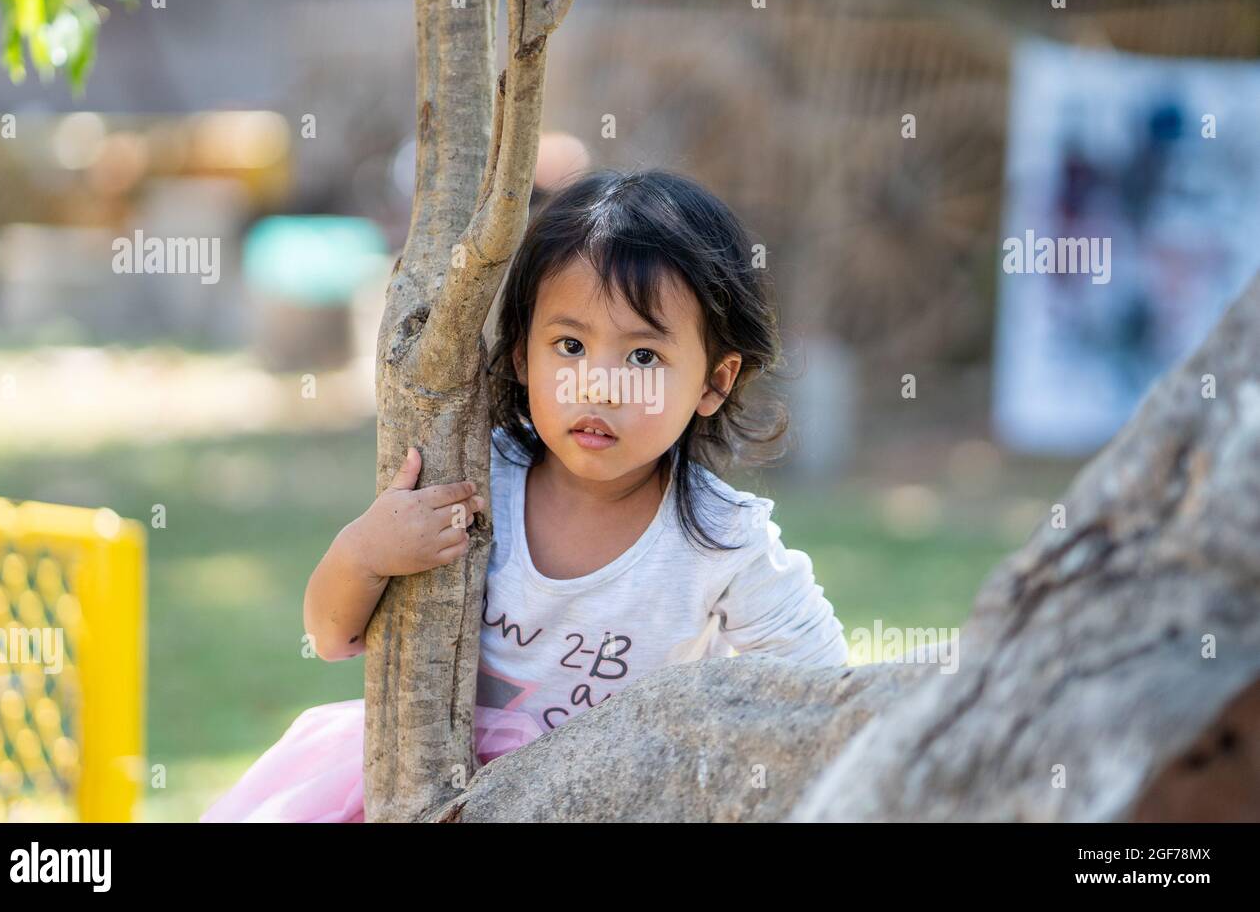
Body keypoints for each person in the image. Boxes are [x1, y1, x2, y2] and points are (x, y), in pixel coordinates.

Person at [200, 168, 849, 822]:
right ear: (519, 356)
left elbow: (827, 691)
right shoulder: (477, 481)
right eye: (569, 346)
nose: (598, 386)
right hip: (441, 796)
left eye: (643, 358)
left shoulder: (723, 541)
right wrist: (366, 553)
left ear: (714, 381)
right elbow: (331, 634)